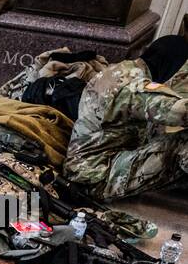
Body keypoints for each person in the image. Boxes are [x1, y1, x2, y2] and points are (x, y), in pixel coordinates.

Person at [63, 35, 188, 201]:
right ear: (172, 65)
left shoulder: (119, 70)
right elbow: (178, 112)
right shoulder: (134, 86)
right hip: (97, 176)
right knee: (183, 143)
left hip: (85, 167)